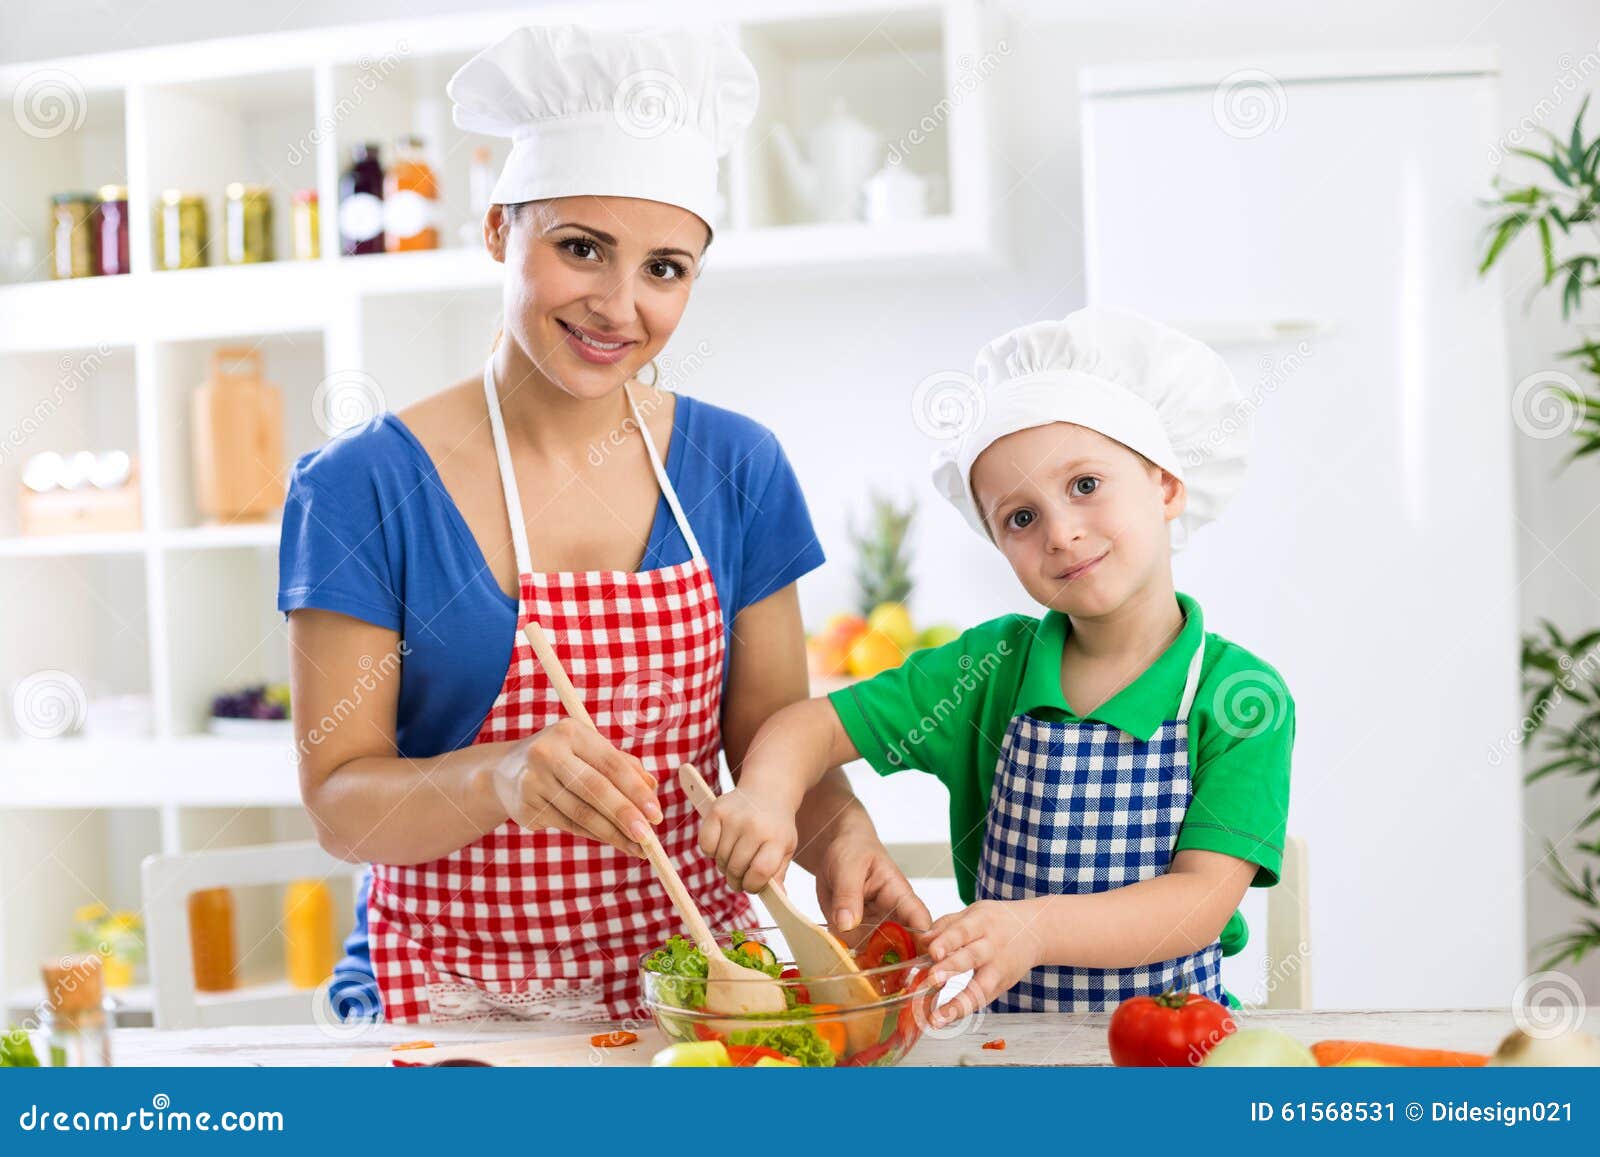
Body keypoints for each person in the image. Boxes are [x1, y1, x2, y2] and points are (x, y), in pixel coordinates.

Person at [280, 23, 927, 1024]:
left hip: (706, 994)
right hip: (448, 1003)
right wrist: (500, 775)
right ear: (500, 231)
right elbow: (339, 806)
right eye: (580, 247)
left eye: (665, 269)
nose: (618, 306)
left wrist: (835, 827)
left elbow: (766, 744)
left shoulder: (736, 466)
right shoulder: (361, 486)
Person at [696, 309, 1295, 1018]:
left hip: (1173, 1049)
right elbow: (808, 727)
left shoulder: (1238, 695)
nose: (1063, 533)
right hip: (1007, 1047)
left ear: (1165, 486)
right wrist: (767, 792)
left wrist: (1033, 929)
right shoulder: (991, 669)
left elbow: (1196, 903)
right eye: (1020, 517)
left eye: (1084, 485)